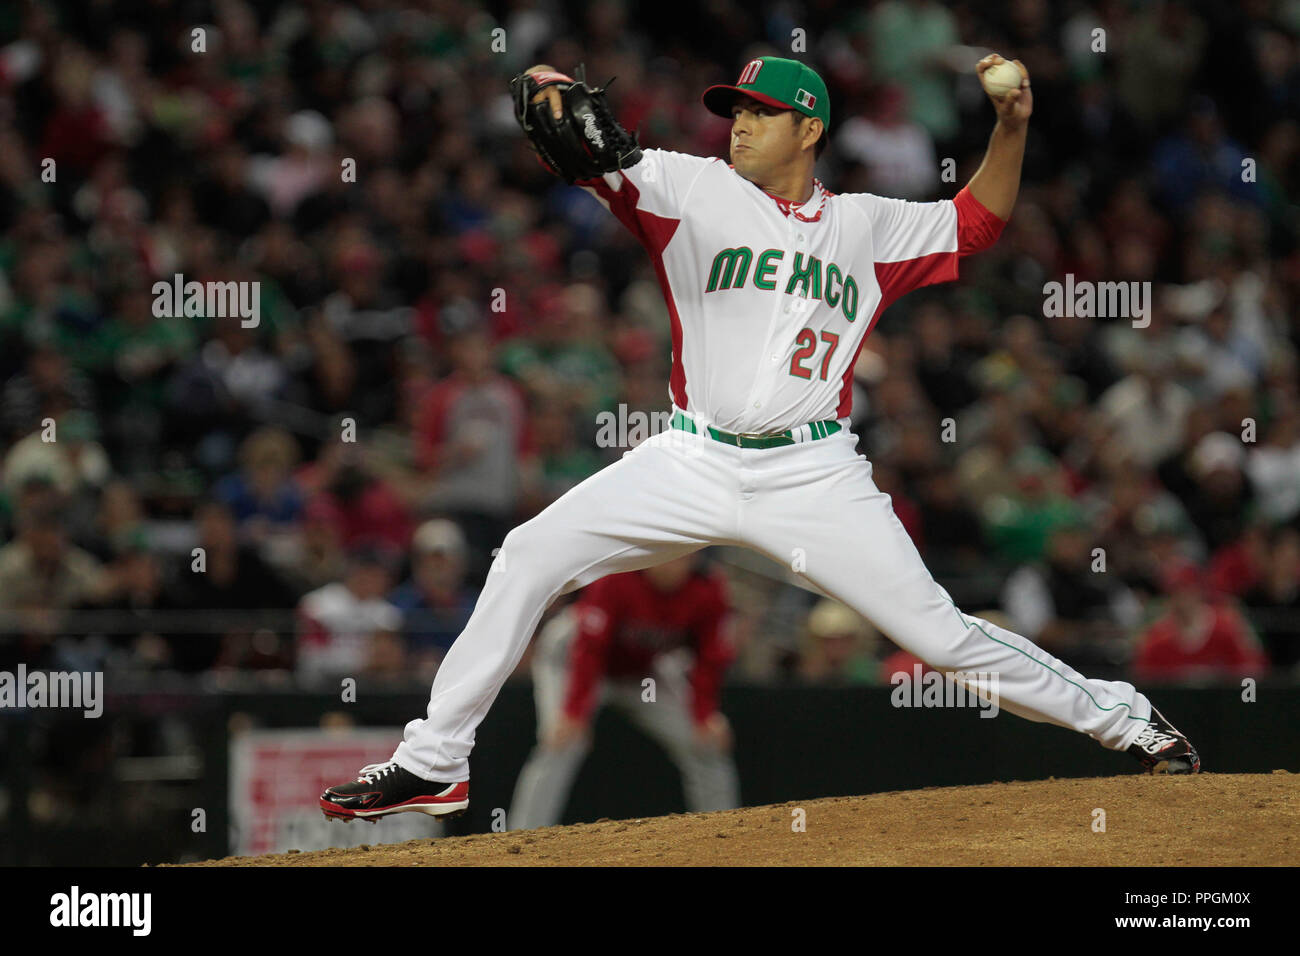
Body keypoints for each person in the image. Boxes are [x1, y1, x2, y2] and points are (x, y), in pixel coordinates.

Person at [322, 54, 1199, 824]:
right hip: (690, 456)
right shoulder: (685, 186)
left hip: (813, 472)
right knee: (526, 554)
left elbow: (977, 224)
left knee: (942, 640)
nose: (737, 127)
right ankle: (432, 763)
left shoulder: (866, 225)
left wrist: (1010, 125)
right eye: (732, 113)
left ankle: (1129, 722)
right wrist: (547, 86)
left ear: (807, 128)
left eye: (757, 114)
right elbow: (597, 150)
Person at [508, 554, 738, 829]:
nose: (672, 563)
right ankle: (522, 838)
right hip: (571, 659)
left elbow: (709, 655)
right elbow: (590, 650)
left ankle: (723, 834)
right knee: (562, 740)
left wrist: (705, 714)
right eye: (667, 554)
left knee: (704, 741)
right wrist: (574, 713)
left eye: (682, 556)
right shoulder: (619, 572)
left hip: (643, 670)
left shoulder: (708, 586)